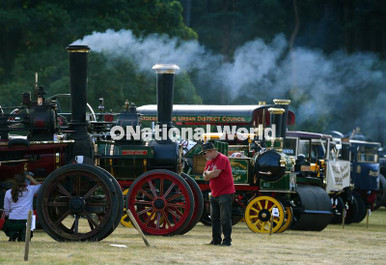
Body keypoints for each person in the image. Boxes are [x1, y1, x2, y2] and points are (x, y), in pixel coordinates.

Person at [202, 142, 235, 246]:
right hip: (214, 193)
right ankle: (216, 240)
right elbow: (205, 177)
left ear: (211, 151)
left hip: (225, 192)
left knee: (225, 218)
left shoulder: (222, 159)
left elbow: (215, 174)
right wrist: (208, 173)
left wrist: (208, 173)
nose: (205, 156)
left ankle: (227, 240)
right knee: (214, 218)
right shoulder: (209, 161)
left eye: (205, 153)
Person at [3, 172, 41, 241]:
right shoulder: (30, 190)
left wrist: (9, 216)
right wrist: (31, 178)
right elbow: (40, 186)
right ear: (24, 181)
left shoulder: (8, 192)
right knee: (27, 226)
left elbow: (6, 210)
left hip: (13, 220)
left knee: (6, 225)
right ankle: (24, 234)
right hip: (27, 221)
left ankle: (14, 233)